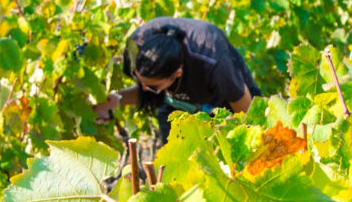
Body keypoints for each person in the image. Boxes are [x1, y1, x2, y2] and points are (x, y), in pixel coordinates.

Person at [94, 17, 256, 142]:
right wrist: (115, 100)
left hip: (220, 100)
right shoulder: (134, 51)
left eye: (153, 86)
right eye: (139, 81)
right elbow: (147, 90)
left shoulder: (215, 66)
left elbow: (246, 114)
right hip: (173, 105)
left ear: (177, 73)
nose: (142, 88)